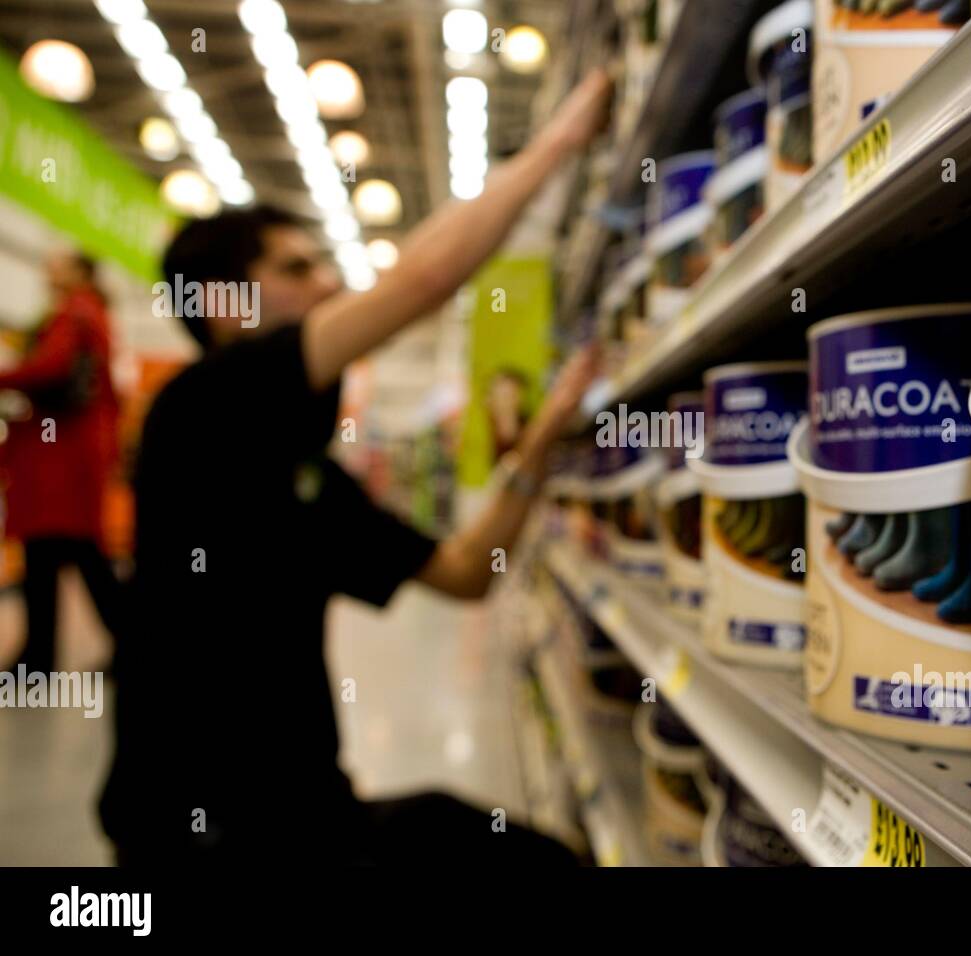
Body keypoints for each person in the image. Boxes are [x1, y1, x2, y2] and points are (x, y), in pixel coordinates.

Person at [98, 69, 612, 865]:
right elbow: (424, 280)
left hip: (303, 817)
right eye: (296, 269)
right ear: (223, 304)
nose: (330, 281)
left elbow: (468, 572)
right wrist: (560, 141)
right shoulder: (198, 410)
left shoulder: (306, 479)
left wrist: (543, 441)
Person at [0, 251, 123, 674]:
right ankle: (43, 655)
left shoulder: (76, 311)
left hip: (59, 452)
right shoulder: (94, 313)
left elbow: (50, 368)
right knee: (70, 549)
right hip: (70, 450)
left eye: (59, 261)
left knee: (58, 548)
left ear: (80, 272)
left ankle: (40, 658)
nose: (48, 266)